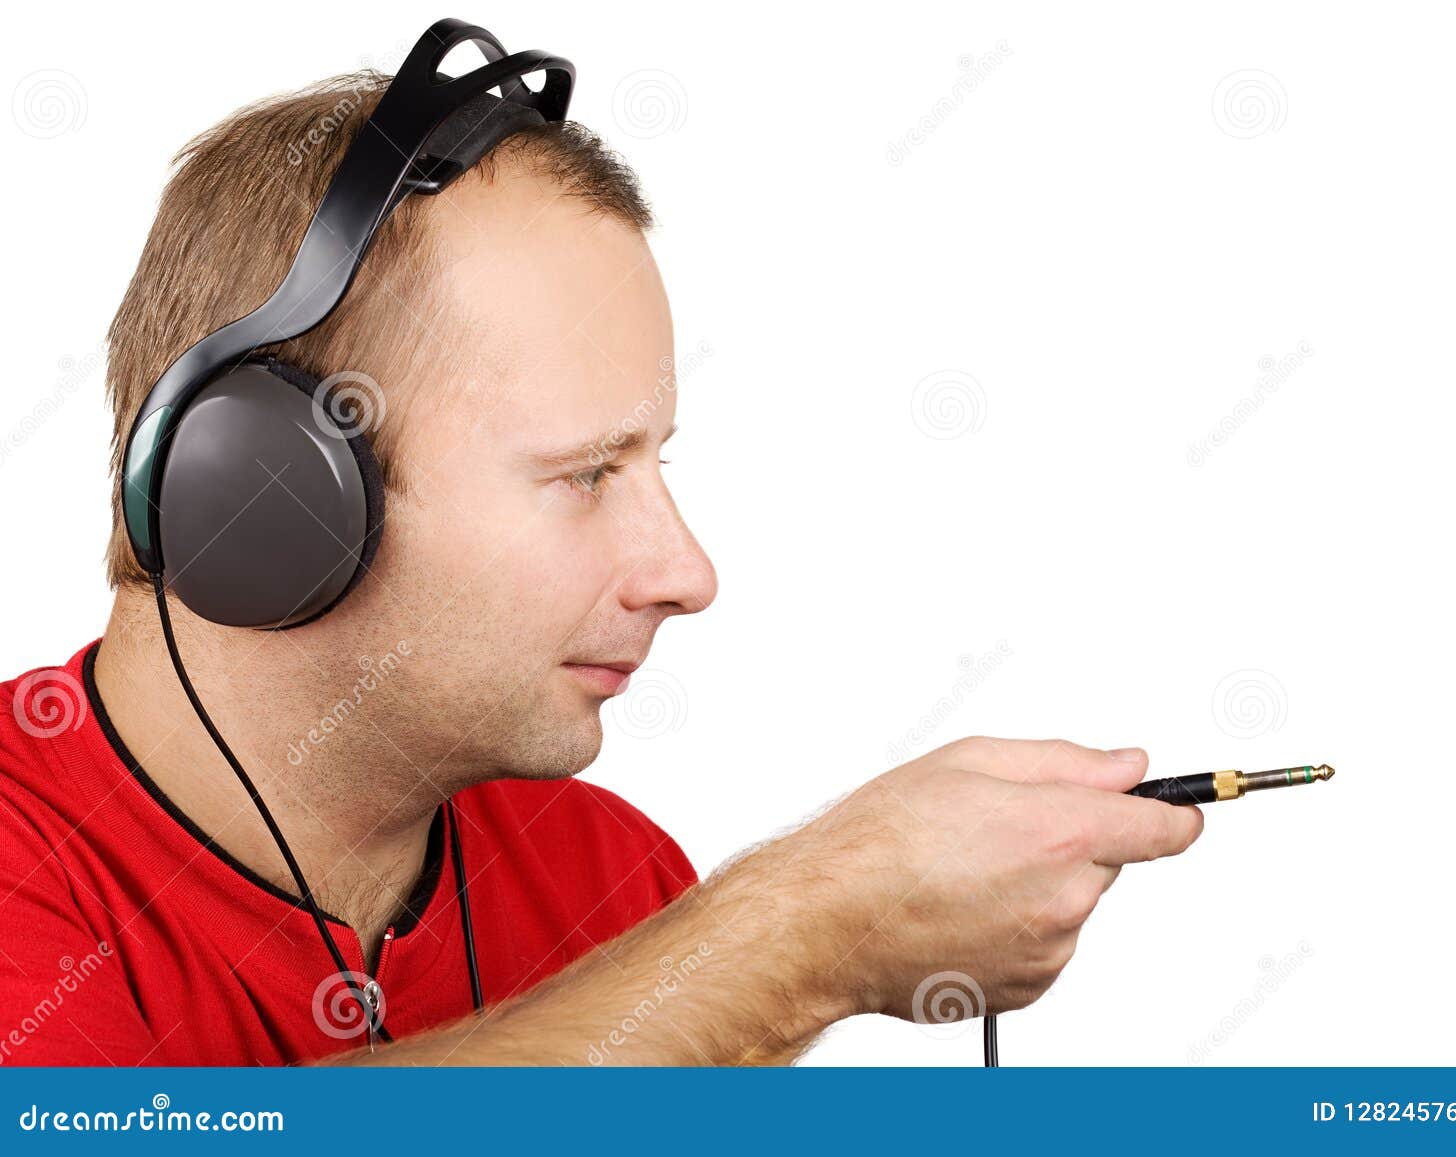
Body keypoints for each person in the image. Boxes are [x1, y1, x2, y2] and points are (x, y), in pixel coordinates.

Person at [0, 70, 1202, 1066]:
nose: (686, 573)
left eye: (652, 462)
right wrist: (799, 933)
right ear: (266, 489)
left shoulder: (612, 880)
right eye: (585, 474)